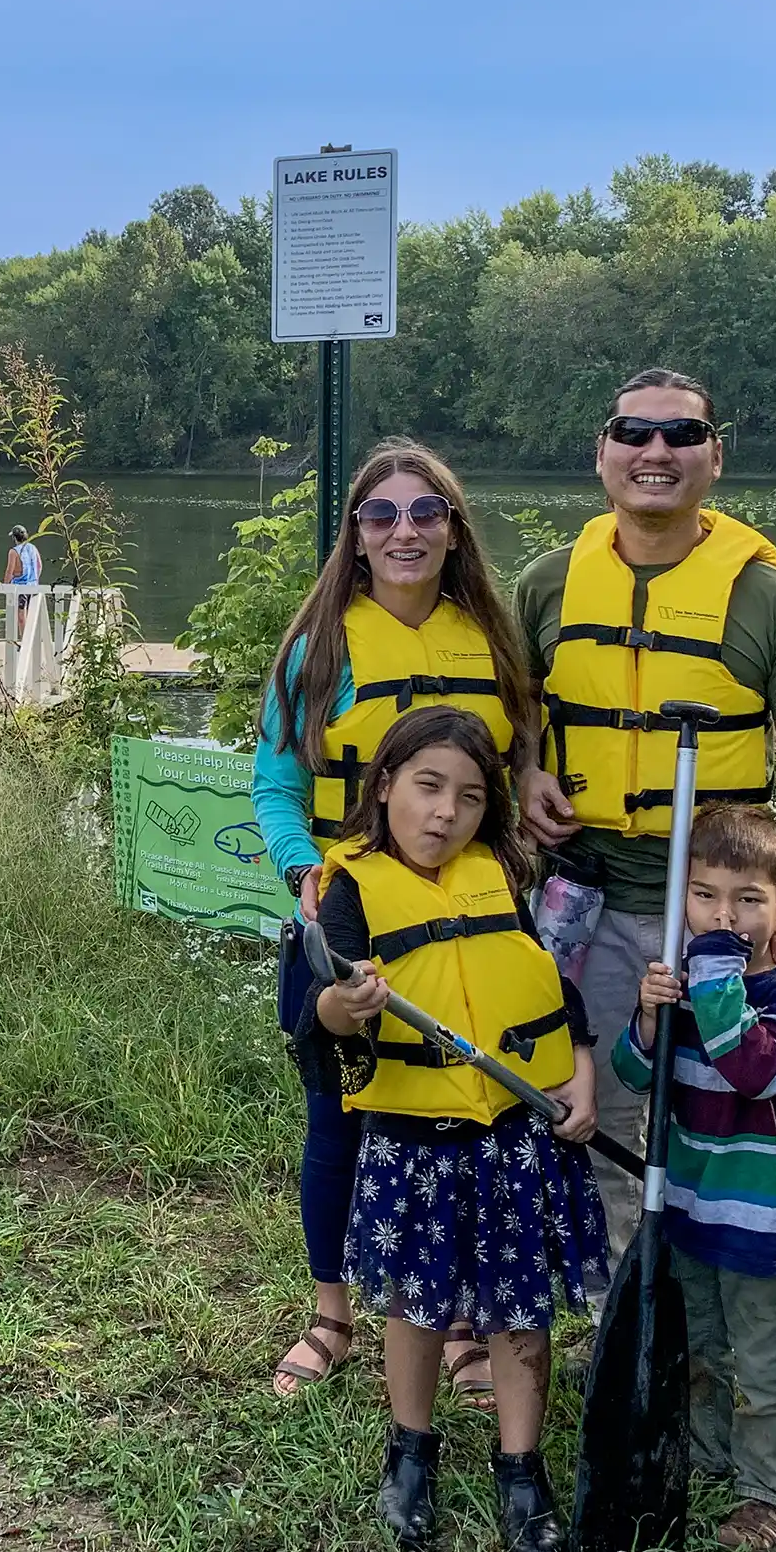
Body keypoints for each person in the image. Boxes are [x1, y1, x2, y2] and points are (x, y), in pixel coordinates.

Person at [515, 367, 776, 1508]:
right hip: (595, 910)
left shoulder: (768, 601)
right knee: (617, 1149)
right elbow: (520, 720)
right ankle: (660, 1366)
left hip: (723, 918)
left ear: (712, 456)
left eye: (678, 435)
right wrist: (530, 768)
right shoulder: (548, 584)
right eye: (633, 433)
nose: (654, 451)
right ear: (600, 453)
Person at [252, 439, 539, 1409]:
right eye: (381, 515)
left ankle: (455, 1318)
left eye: (425, 512)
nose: (404, 529)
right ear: (357, 538)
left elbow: (519, 766)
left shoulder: (491, 643)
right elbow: (275, 784)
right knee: (339, 1121)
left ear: (453, 529)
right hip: (347, 914)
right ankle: (332, 1312)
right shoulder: (320, 648)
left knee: (461, 1117)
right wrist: (304, 870)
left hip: (467, 924)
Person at [297, 707, 606, 1552]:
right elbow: (318, 1022)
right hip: (413, 1138)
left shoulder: (500, 872)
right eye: (428, 787)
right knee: (417, 1306)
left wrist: (579, 1071)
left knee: (521, 1308)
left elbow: (547, 980)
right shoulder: (348, 887)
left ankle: (521, 1469)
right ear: (386, 783)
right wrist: (341, 1005)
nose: (445, 814)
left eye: (470, 798)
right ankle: (411, 1451)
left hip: (515, 1132)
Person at [611, 804, 776, 1552]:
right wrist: (649, 1019)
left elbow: (751, 1072)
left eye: (748, 899)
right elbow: (634, 1074)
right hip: (692, 1205)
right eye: (704, 895)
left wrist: (709, 978)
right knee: (702, 1345)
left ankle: (768, 1490)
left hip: (767, 1215)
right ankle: (709, 1454)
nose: (723, 915)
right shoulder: (684, 984)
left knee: (768, 1365)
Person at [6, 524, 42, 635]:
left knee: (21, 615)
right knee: (31, 614)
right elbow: (39, 565)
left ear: (14, 538)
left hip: (20, 586)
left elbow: (9, 571)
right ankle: (30, 639)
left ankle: (24, 641)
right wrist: (35, 579)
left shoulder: (13, 552)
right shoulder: (33, 548)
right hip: (33, 586)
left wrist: (5, 586)